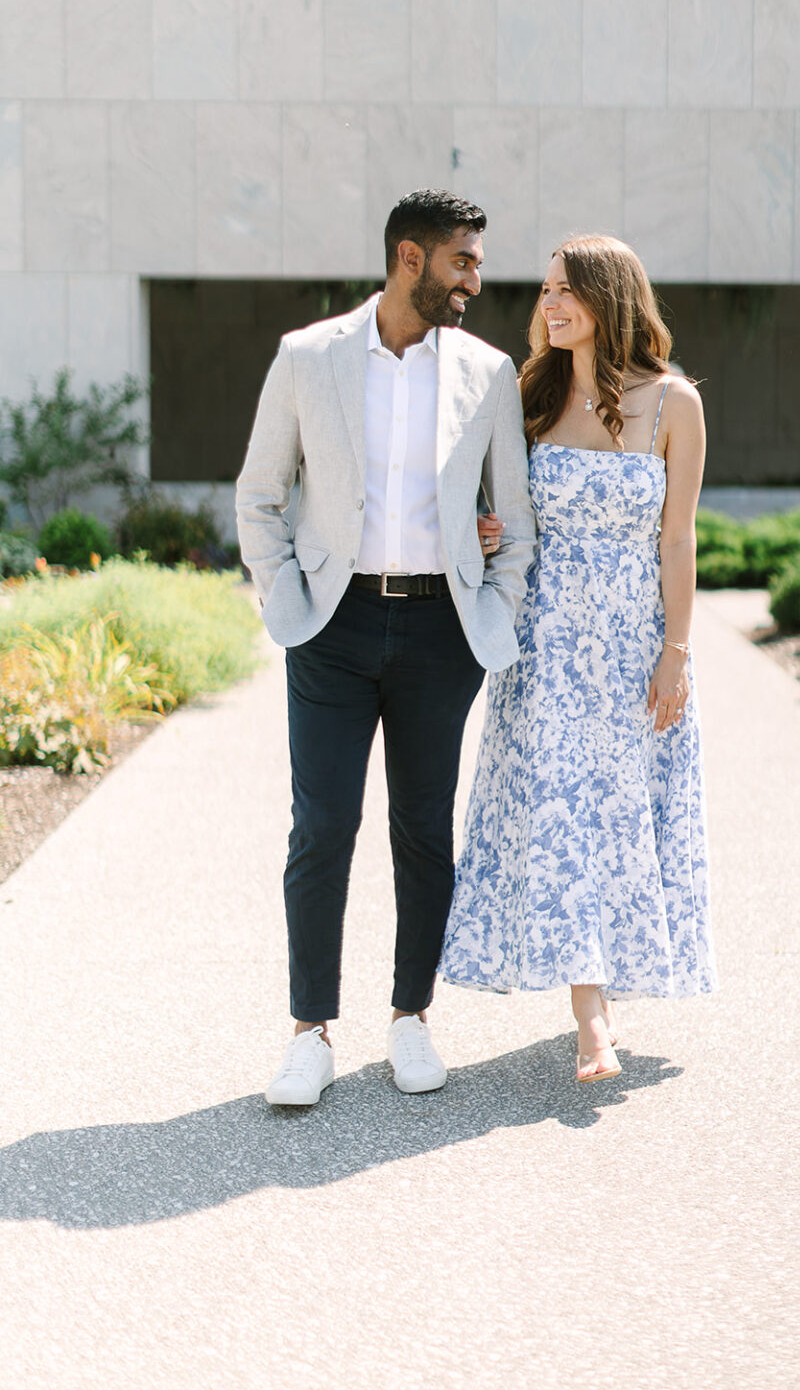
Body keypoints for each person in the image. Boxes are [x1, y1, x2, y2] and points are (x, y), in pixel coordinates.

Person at [236, 189, 535, 1105]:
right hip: (333, 626)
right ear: (412, 258)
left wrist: (494, 607)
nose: (474, 281)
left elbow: (512, 522)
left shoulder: (486, 374)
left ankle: (411, 1017)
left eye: (476, 263)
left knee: (422, 832)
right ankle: (310, 1032)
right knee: (322, 826)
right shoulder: (308, 357)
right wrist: (289, 604)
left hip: (442, 630)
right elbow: (259, 494)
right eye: (462, 262)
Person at [442, 234, 717, 1083]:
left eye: (568, 291)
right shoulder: (530, 392)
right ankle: (591, 1017)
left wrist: (676, 652)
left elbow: (678, 539)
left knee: (623, 817)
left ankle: (603, 990)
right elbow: (501, 513)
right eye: (546, 291)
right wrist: (489, 532)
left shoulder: (674, 405)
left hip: (634, 645)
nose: (550, 304)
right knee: (563, 818)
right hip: (548, 650)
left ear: (611, 298)